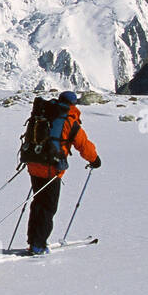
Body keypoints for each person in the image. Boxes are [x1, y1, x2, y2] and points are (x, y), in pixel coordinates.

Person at [24, 91, 99, 255]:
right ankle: (38, 245)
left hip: (33, 163)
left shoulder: (45, 114)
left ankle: (33, 240)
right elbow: (83, 145)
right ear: (73, 104)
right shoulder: (69, 120)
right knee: (48, 207)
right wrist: (94, 160)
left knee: (38, 203)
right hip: (51, 169)